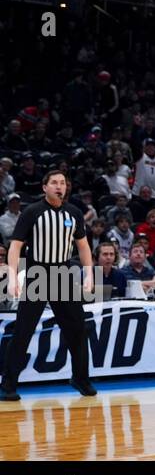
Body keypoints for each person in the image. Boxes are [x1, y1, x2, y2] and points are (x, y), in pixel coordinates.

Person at [1, 170, 96, 400]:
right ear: (44, 187)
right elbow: (15, 246)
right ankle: (8, 385)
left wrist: (90, 273)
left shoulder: (74, 213)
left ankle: (80, 378)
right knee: (23, 330)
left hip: (63, 272)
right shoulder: (32, 211)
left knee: (78, 328)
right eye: (54, 182)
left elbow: (82, 246)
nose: (59, 186)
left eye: (62, 183)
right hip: (37, 273)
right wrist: (13, 276)